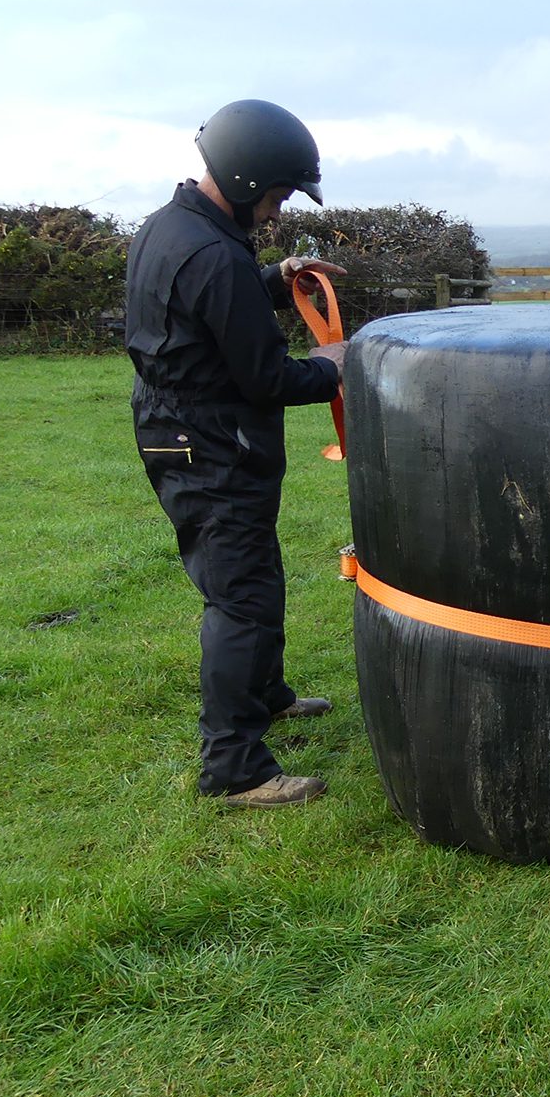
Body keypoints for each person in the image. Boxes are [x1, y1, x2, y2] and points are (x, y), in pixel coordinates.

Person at [125, 99, 351, 808]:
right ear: (249, 176)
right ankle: (235, 768)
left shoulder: (172, 230)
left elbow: (211, 311)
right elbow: (267, 376)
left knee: (253, 576)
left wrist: (274, 277)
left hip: (182, 434)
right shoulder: (213, 253)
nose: (280, 209)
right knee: (241, 598)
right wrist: (334, 364)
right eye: (280, 193)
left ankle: (268, 694)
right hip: (212, 447)